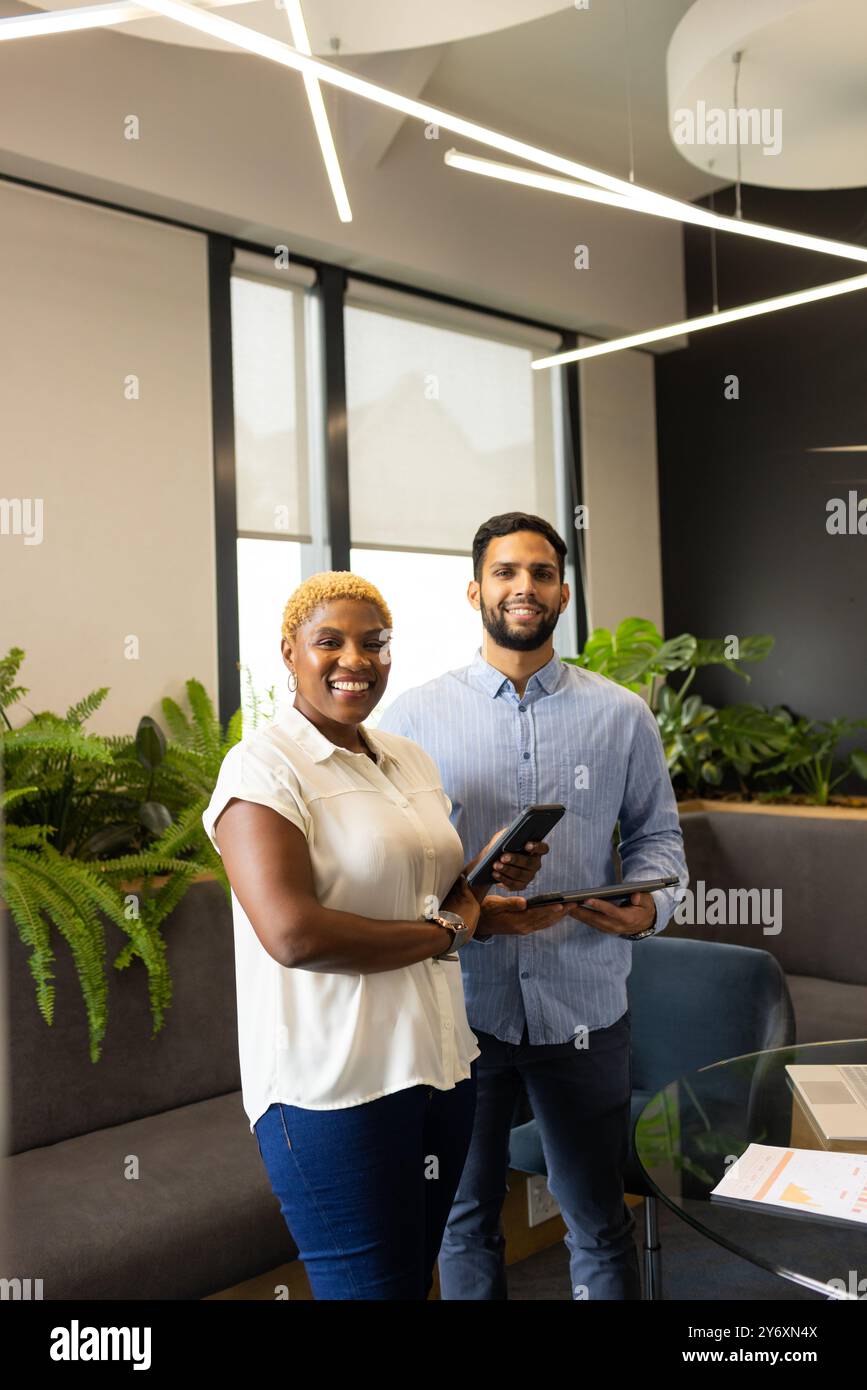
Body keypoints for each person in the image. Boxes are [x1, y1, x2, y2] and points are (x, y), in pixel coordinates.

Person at [201, 570, 563, 1300]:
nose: (354, 660)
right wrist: (449, 934)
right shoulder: (262, 767)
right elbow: (294, 935)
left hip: (437, 1068)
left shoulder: (408, 759)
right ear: (289, 652)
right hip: (331, 1091)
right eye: (328, 642)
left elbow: (434, 898)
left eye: (373, 643)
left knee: (409, 1284)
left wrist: (487, 888)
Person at [378, 513, 689, 1300]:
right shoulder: (408, 720)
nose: (525, 587)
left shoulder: (621, 714)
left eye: (541, 574)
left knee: (595, 1217)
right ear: (475, 589)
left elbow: (659, 842)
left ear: (563, 592)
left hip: (583, 1001)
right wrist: (474, 892)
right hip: (459, 1006)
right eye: (508, 573)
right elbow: (390, 862)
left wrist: (646, 910)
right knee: (462, 1219)